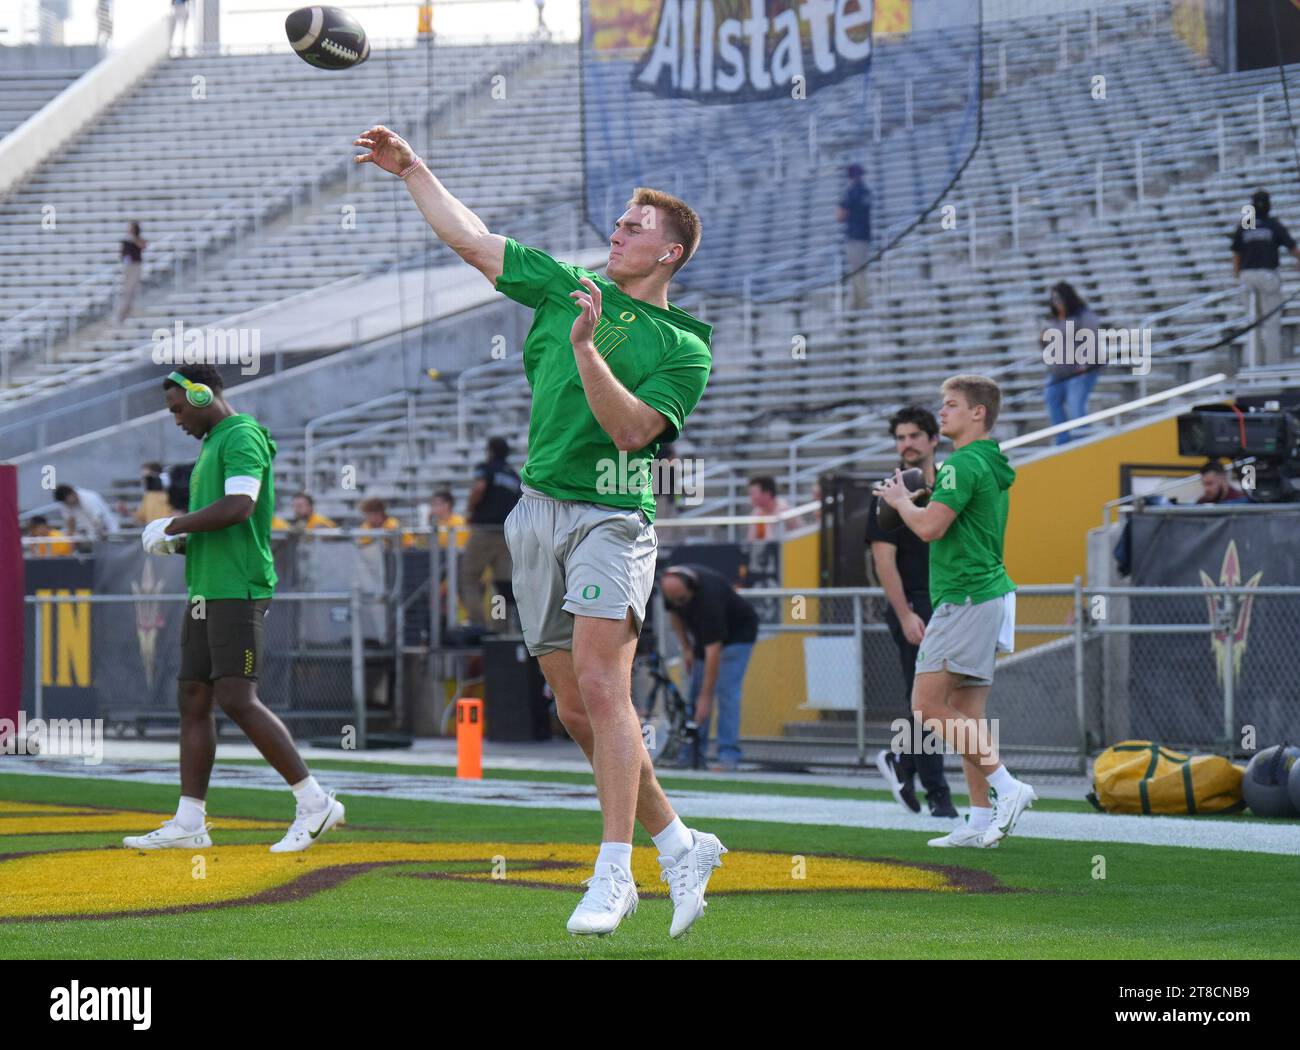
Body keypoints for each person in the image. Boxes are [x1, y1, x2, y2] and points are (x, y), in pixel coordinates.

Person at [352, 124, 724, 937]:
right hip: (536, 512)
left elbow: (632, 434)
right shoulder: (569, 284)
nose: (619, 229)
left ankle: (615, 871)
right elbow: (475, 242)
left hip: (613, 514)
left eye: (636, 225)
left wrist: (589, 351)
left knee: (602, 686)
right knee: (575, 709)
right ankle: (681, 841)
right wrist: (414, 168)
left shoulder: (684, 345)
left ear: (669, 254)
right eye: (621, 219)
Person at [124, 365, 344, 852]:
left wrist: (174, 525)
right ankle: (189, 821)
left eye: (179, 408)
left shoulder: (240, 435)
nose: (176, 419)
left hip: (236, 589)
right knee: (193, 699)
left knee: (236, 697)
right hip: (207, 587)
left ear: (202, 396)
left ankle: (315, 802)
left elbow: (240, 507)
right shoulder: (211, 444)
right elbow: (223, 524)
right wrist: (179, 545)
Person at [875, 375, 1036, 849]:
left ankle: (1008, 788)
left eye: (951, 406)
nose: (941, 413)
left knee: (925, 705)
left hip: (966, 594)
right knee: (967, 713)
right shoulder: (985, 458)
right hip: (987, 593)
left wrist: (902, 501)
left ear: (977, 413)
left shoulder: (963, 463)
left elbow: (929, 529)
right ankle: (982, 816)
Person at [867, 405, 958, 819]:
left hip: (951, 600)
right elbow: (883, 560)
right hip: (915, 603)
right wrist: (904, 613)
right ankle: (939, 794)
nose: (906, 444)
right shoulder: (888, 492)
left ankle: (901, 762)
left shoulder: (951, 484)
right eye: (900, 437)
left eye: (914, 436)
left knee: (941, 697)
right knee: (925, 701)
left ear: (933, 440)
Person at [660, 564, 757, 772]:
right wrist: (686, 648)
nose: (679, 604)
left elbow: (713, 652)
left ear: (692, 590)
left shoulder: (709, 599)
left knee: (726, 693)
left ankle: (727, 757)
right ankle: (692, 755)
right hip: (705, 640)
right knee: (694, 696)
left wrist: (706, 697)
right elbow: (674, 615)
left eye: (682, 600)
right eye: (674, 600)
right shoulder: (673, 591)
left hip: (736, 637)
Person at [1231, 189, 1300, 367]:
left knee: (1252, 323)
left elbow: (1236, 253)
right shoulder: (1273, 224)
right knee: (1271, 322)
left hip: (1247, 276)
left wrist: (1237, 275)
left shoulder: (1245, 225)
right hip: (1267, 275)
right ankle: (1271, 366)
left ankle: (1254, 364)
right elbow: (1292, 248)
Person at [458, 436, 520, 630]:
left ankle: (477, 621)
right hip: (505, 533)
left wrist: (469, 510)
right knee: (501, 584)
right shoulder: (514, 475)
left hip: (484, 531)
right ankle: (499, 625)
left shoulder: (486, 468)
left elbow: (479, 488)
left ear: (490, 451)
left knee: (469, 578)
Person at [1041, 281, 1103, 444]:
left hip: (1081, 369)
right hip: (1060, 371)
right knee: (1051, 397)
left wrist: (1084, 364)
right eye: (1053, 300)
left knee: (1075, 403)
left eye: (1059, 299)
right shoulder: (1054, 319)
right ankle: (1063, 440)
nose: (1056, 303)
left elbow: (1091, 340)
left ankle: (1082, 442)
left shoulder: (1083, 315)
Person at [837, 163, 872, 310]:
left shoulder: (851, 192)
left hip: (854, 235)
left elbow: (840, 216)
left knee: (857, 269)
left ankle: (863, 301)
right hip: (865, 234)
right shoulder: (866, 191)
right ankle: (856, 300)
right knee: (858, 269)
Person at [745, 475, 804, 540]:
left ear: (767, 493)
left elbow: (801, 536)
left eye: (754, 493)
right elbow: (750, 541)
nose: (751, 497)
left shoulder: (785, 511)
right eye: (750, 494)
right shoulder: (756, 513)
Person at [53, 483, 117, 540]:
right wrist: (71, 537)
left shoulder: (89, 498)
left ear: (72, 494)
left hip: (107, 529)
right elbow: (70, 520)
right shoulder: (65, 504)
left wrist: (99, 535)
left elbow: (98, 519)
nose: (67, 504)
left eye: (67, 502)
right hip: (91, 533)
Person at [116, 221, 146, 322]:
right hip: (129, 266)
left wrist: (133, 239)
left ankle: (128, 311)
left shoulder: (137, 239)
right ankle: (123, 313)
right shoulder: (126, 240)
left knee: (132, 289)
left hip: (136, 266)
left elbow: (143, 245)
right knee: (127, 290)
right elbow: (122, 254)